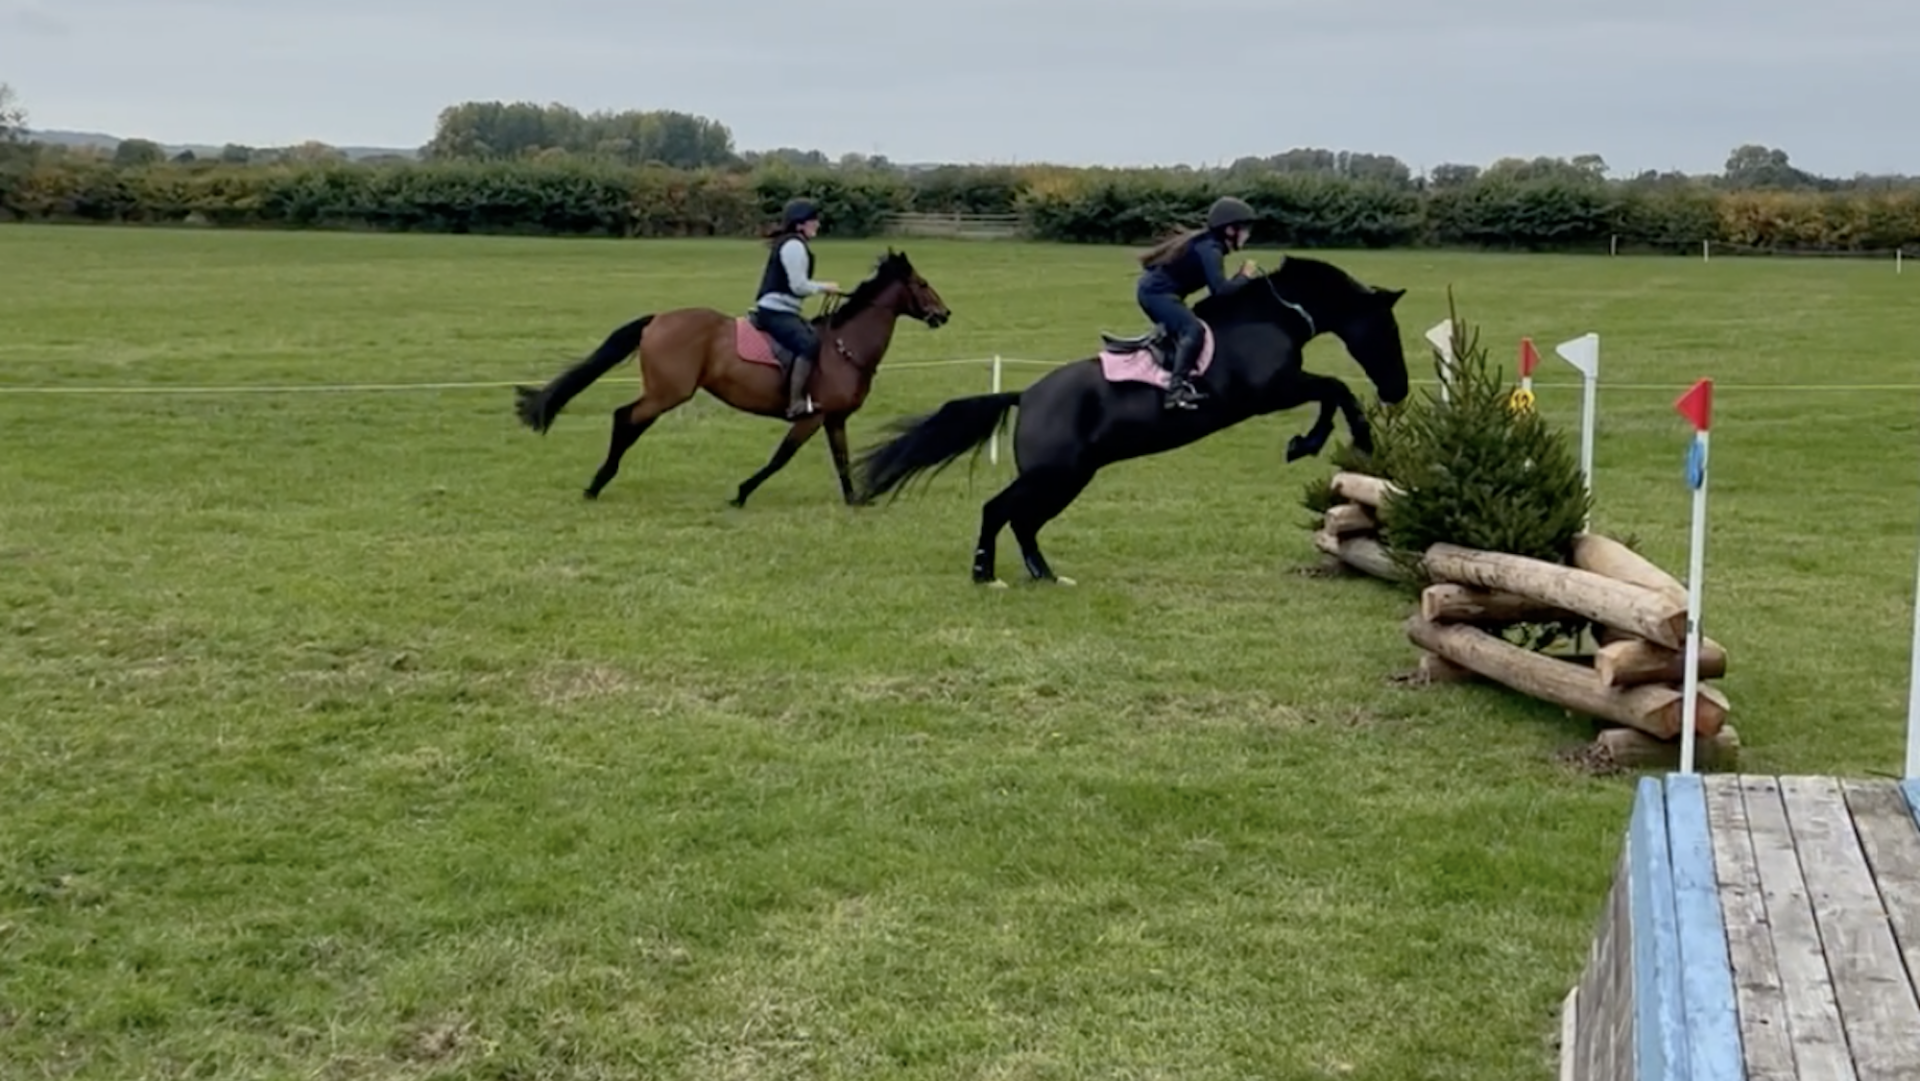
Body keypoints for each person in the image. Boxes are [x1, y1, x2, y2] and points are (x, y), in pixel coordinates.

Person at [1134, 196, 1260, 409]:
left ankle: (1180, 373)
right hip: (1156, 295)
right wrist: (1244, 276)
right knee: (1193, 330)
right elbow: (1219, 291)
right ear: (1230, 230)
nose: (1248, 235)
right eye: (1245, 229)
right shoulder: (1210, 250)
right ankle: (1175, 392)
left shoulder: (1209, 244)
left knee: (1194, 325)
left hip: (1157, 293)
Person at [751, 198, 841, 419]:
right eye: (813, 221)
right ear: (800, 224)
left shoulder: (793, 243)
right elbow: (798, 286)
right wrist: (824, 287)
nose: (817, 225)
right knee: (808, 344)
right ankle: (796, 402)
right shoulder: (794, 246)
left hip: (783, 310)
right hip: (775, 311)